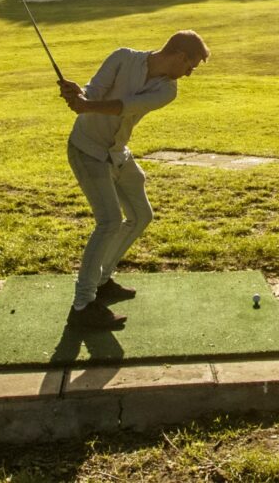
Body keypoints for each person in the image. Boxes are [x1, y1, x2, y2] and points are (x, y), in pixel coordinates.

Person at [57, 30, 209, 329]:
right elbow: (95, 91)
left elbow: (124, 106)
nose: (189, 74)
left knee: (141, 215)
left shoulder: (167, 90)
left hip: (116, 152)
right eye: (190, 66)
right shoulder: (122, 57)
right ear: (179, 55)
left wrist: (86, 105)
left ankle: (102, 280)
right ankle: (83, 305)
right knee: (110, 221)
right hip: (87, 149)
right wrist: (78, 96)